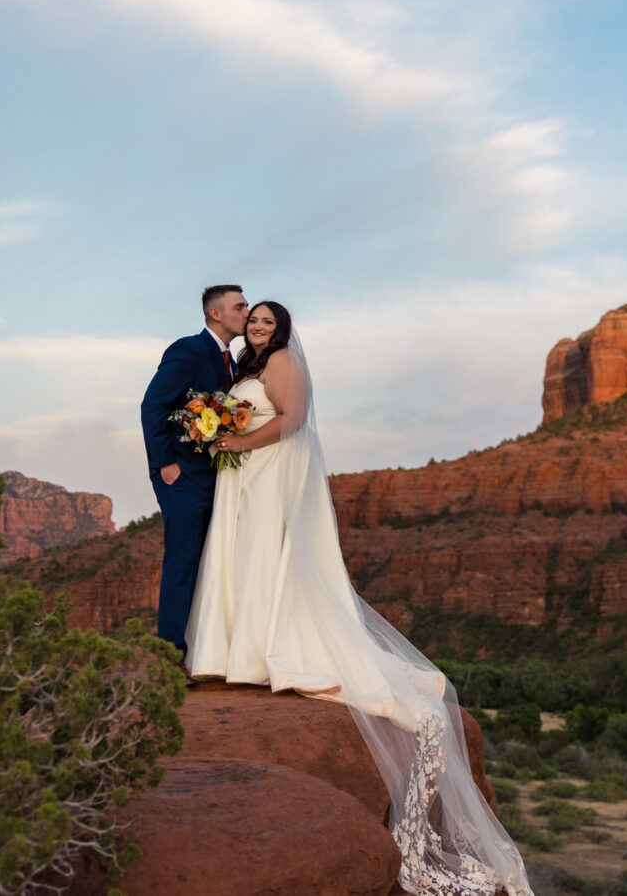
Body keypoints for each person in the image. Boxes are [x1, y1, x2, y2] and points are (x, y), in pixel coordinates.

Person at [186, 301, 531, 896]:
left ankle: (263, 651)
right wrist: (217, 432)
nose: (260, 327)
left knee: (271, 555)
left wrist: (235, 440)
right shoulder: (248, 361)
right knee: (243, 555)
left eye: (268, 320)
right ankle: (233, 653)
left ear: (283, 327)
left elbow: (291, 422)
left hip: (272, 468)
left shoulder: (285, 363)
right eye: (255, 320)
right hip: (247, 470)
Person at [139, 284, 249, 662]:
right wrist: (165, 465)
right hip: (182, 475)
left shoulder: (231, 362)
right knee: (182, 561)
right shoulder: (189, 349)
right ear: (215, 314)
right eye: (239, 307)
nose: (246, 312)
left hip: (214, 476)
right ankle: (170, 655)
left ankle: (203, 650)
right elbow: (153, 404)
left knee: (208, 562)